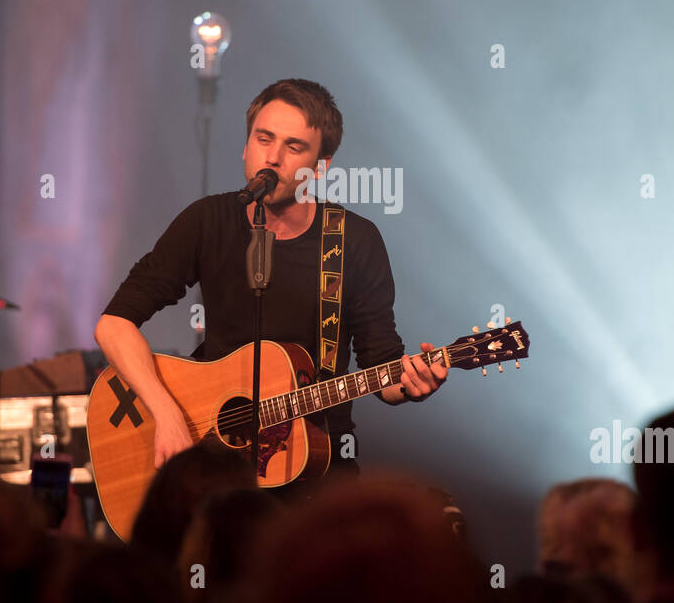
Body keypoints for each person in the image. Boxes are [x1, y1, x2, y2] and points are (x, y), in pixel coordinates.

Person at [94, 79, 446, 485]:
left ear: (320, 166)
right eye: (264, 139)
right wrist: (167, 413)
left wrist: (413, 382)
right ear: (246, 146)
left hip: (316, 467)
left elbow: (382, 371)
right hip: (216, 471)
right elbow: (113, 324)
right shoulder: (207, 221)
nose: (273, 157)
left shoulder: (354, 241)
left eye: (294, 147)